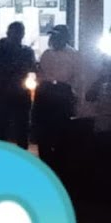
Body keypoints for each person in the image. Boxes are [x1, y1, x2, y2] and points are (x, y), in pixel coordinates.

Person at [34, 25, 81, 168]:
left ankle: (60, 164)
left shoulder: (74, 55)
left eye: (57, 36)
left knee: (61, 129)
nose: (53, 38)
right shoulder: (47, 54)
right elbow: (41, 74)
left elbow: (77, 78)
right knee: (43, 130)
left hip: (62, 91)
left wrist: (75, 95)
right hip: (45, 91)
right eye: (52, 36)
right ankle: (45, 163)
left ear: (65, 38)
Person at [0, 21, 36, 149]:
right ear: (8, 33)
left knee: (21, 128)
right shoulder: (0, 51)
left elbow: (29, 67)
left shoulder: (26, 51)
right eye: (14, 33)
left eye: (18, 33)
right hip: (5, 91)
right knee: (1, 128)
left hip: (17, 91)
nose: (16, 36)